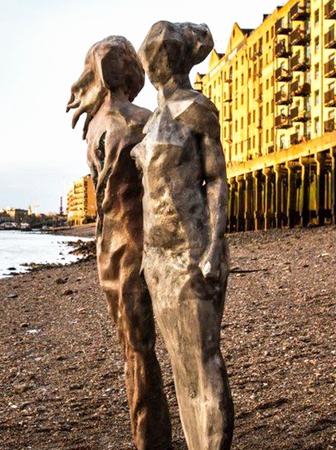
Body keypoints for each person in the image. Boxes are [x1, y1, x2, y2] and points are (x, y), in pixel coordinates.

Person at [67, 36, 172, 450]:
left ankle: (148, 434)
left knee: (133, 346)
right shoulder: (142, 121)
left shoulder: (96, 125)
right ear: (131, 71)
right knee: (147, 348)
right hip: (141, 242)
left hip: (108, 248)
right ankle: (152, 438)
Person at [132, 21, 234, 450]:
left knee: (203, 361)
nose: (154, 59)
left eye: (160, 51)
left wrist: (215, 245)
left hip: (192, 250)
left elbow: (216, 180)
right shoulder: (153, 119)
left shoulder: (195, 108)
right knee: (180, 365)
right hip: (158, 258)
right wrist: (146, 260)